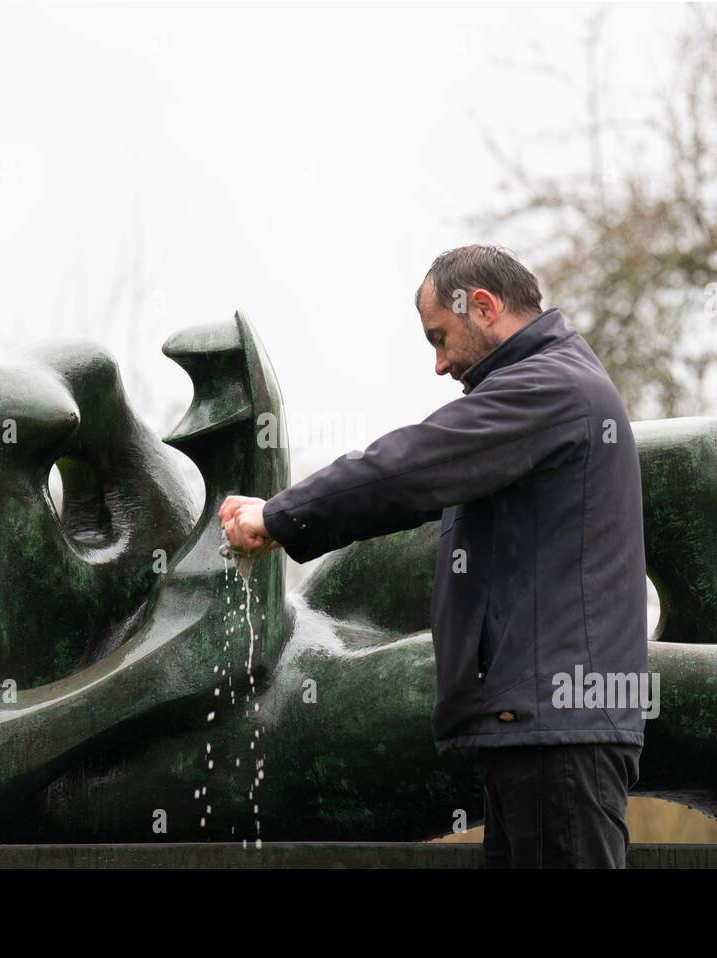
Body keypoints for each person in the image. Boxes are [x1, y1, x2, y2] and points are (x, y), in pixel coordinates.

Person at [218, 244, 647, 868]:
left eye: (440, 338)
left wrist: (279, 517)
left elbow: (413, 466)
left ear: (483, 306)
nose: (440, 364)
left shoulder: (550, 389)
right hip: (544, 724)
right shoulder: (557, 386)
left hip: (556, 727)